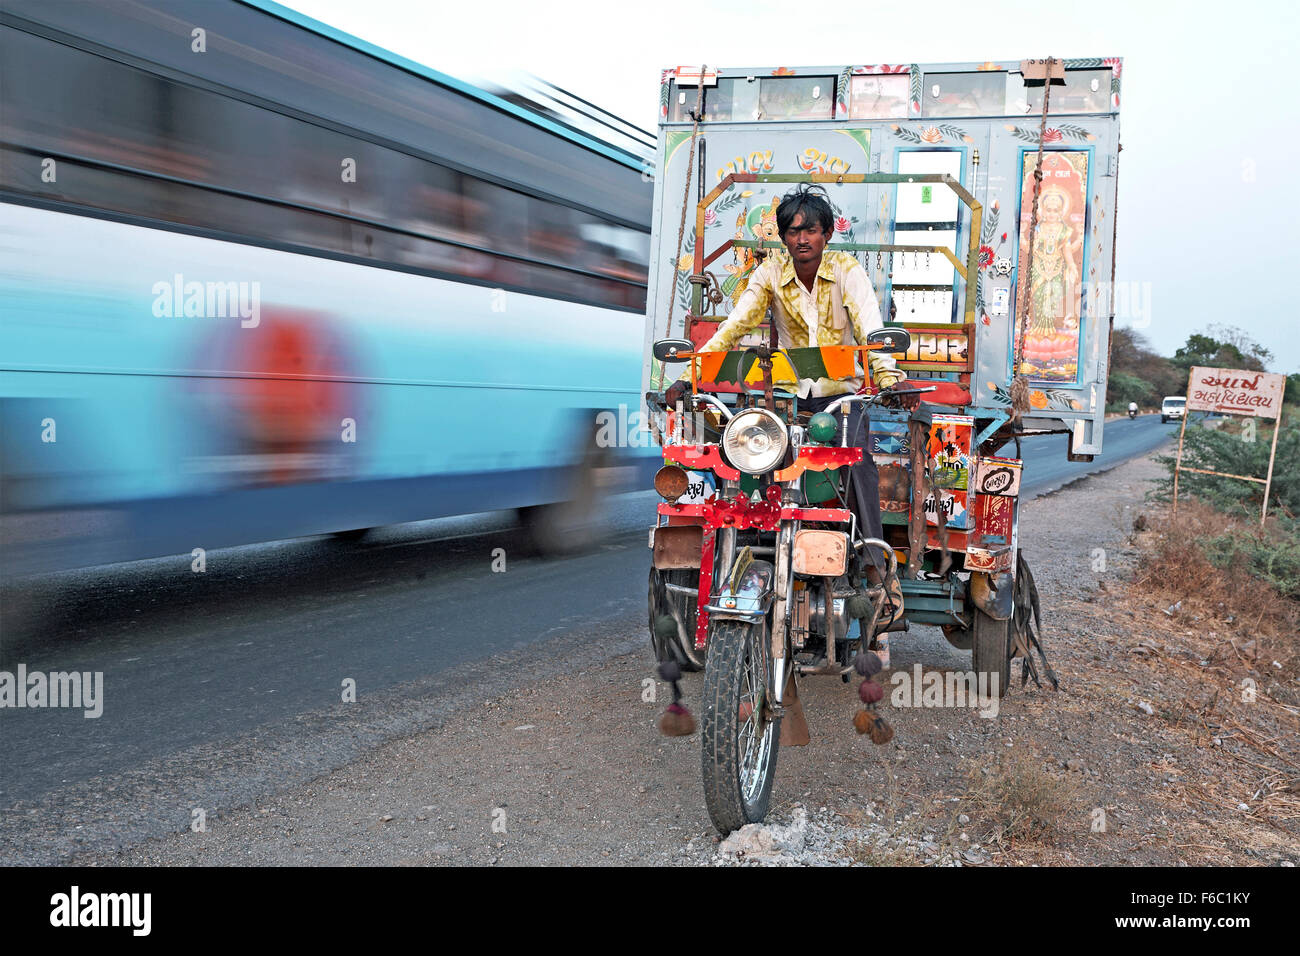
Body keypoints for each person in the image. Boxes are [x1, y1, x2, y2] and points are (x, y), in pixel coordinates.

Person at [666, 183, 918, 580]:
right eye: (794, 231)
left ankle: (872, 564)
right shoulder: (770, 273)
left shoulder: (847, 272)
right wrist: (689, 376)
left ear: (827, 234)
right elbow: (734, 326)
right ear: (783, 237)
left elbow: (872, 328)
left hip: (842, 399)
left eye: (811, 230)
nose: (803, 238)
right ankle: (751, 546)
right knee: (753, 462)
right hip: (788, 400)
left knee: (858, 467)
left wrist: (888, 378)